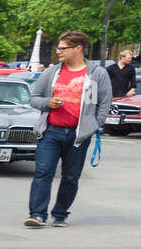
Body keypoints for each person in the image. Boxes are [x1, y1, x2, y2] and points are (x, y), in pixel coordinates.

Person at [24, 30, 112, 228]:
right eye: (58, 48)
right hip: (51, 131)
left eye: (63, 48)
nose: (58, 52)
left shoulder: (97, 74)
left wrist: (94, 125)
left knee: (71, 177)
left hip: (78, 134)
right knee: (43, 172)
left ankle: (60, 214)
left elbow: (104, 103)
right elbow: (34, 98)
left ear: (78, 49)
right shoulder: (51, 72)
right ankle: (37, 214)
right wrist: (49, 103)